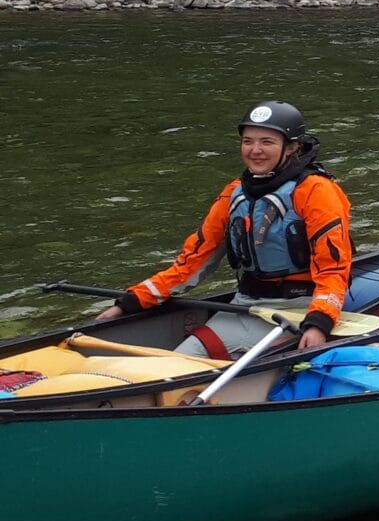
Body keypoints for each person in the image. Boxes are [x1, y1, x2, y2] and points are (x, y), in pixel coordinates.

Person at [99, 101, 353, 356]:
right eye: (248, 141)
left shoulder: (317, 191)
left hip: (301, 307)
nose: (255, 150)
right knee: (183, 357)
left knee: (188, 368)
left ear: (292, 147)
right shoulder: (234, 193)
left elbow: (333, 268)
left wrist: (319, 322)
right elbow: (192, 262)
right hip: (246, 304)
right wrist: (130, 302)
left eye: (267, 142)